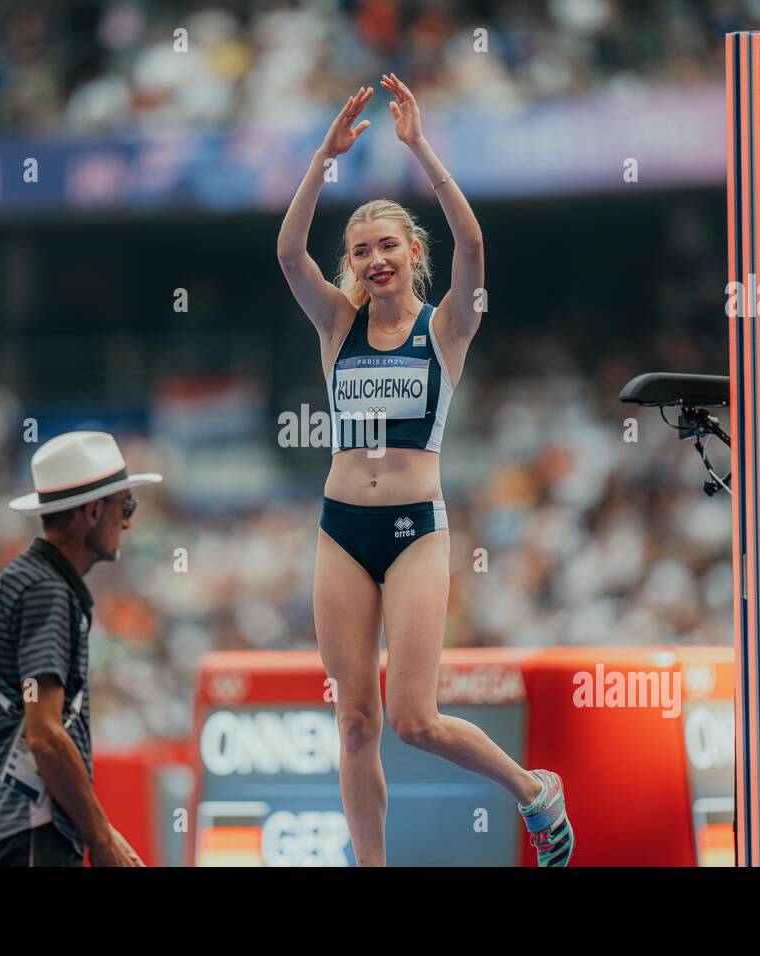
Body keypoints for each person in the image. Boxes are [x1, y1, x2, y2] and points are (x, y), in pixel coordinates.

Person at [276, 75, 573, 866]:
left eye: (388, 247)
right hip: (341, 530)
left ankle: (533, 790)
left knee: (413, 718)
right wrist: (325, 158)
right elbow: (286, 252)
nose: (375, 260)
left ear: (413, 254)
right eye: (361, 250)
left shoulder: (446, 328)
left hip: (414, 533)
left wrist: (417, 148)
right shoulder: (336, 325)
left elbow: (474, 246)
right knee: (355, 723)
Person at [0, 430, 161, 867]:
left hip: (0, 834)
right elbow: (46, 735)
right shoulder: (46, 590)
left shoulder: (16, 583)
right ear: (92, 510)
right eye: (125, 506)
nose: (128, 521)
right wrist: (103, 840)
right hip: (28, 834)